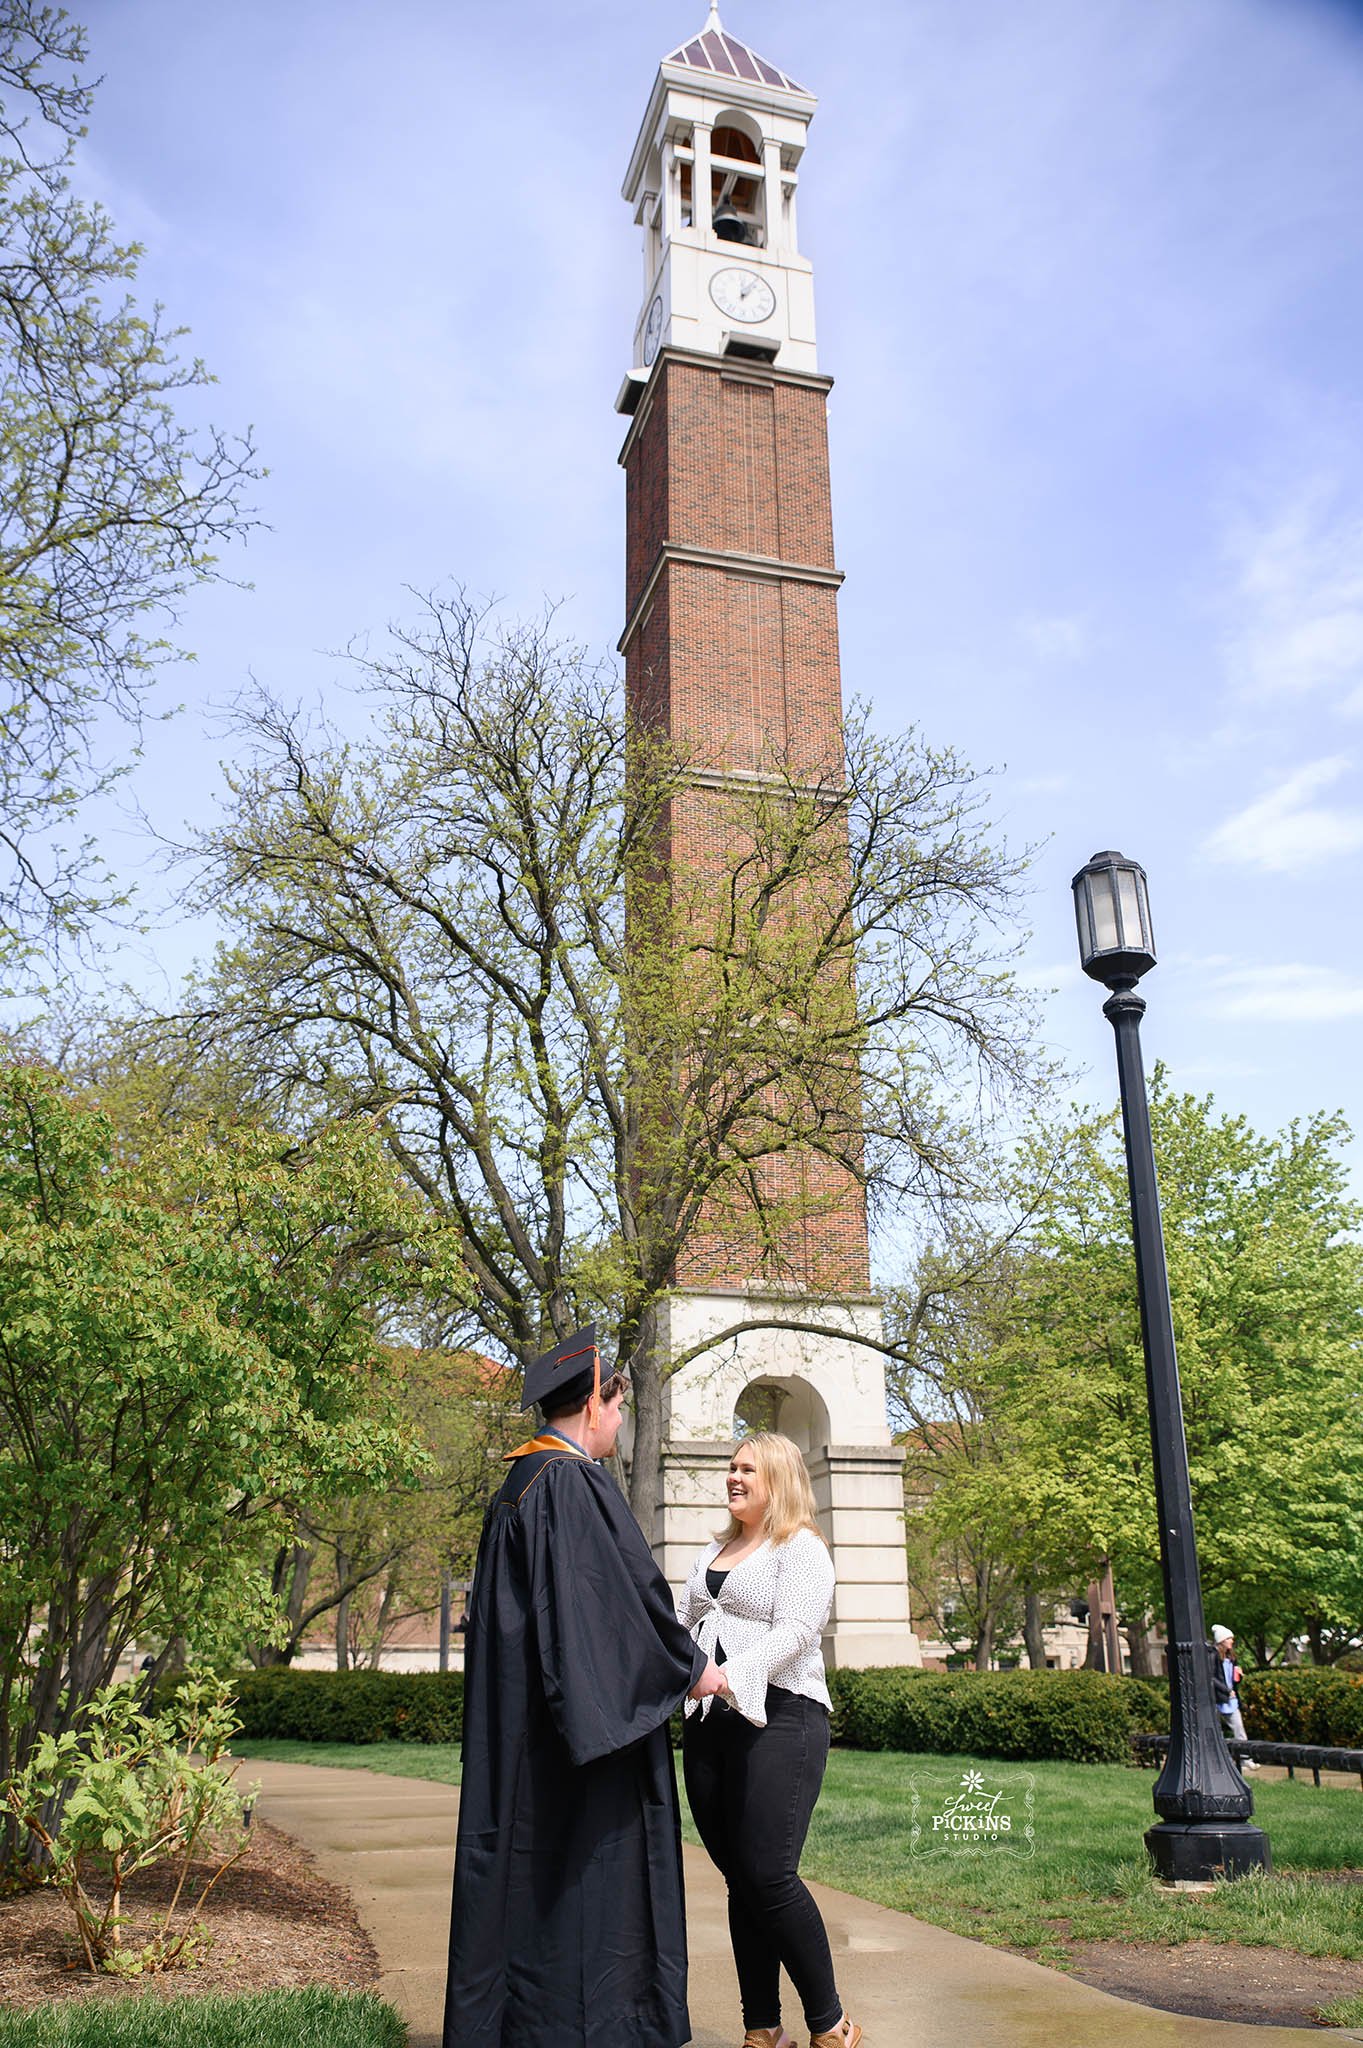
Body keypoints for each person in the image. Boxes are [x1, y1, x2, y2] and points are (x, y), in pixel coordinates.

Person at [444, 1324, 727, 2047]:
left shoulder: (521, 1481)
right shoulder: (569, 1485)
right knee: (587, 1893)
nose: (619, 1420)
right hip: (578, 1746)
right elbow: (610, 1608)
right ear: (593, 1407)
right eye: (617, 1405)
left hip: (526, 1729)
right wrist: (690, 1667)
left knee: (527, 1880)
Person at [679, 1431, 862, 2048]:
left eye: (747, 1470)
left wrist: (727, 1676)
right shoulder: (711, 1550)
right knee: (741, 1879)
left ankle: (831, 2023)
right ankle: (762, 2026)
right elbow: (680, 1626)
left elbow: (797, 1634)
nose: (733, 1477)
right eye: (731, 1468)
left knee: (769, 1873)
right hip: (709, 1726)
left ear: (778, 1480)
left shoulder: (801, 1549)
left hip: (782, 1717)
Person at [1211, 1624, 1257, 1766]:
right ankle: (1221, 1760)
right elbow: (1211, 1678)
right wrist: (1226, 1690)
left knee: (1239, 1729)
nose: (1232, 1641)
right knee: (1216, 1731)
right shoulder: (1212, 1656)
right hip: (1218, 1699)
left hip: (1231, 1700)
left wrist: (1239, 1676)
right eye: (1229, 1638)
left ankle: (1245, 1759)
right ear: (1222, 1640)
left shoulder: (1232, 1657)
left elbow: (1233, 1680)